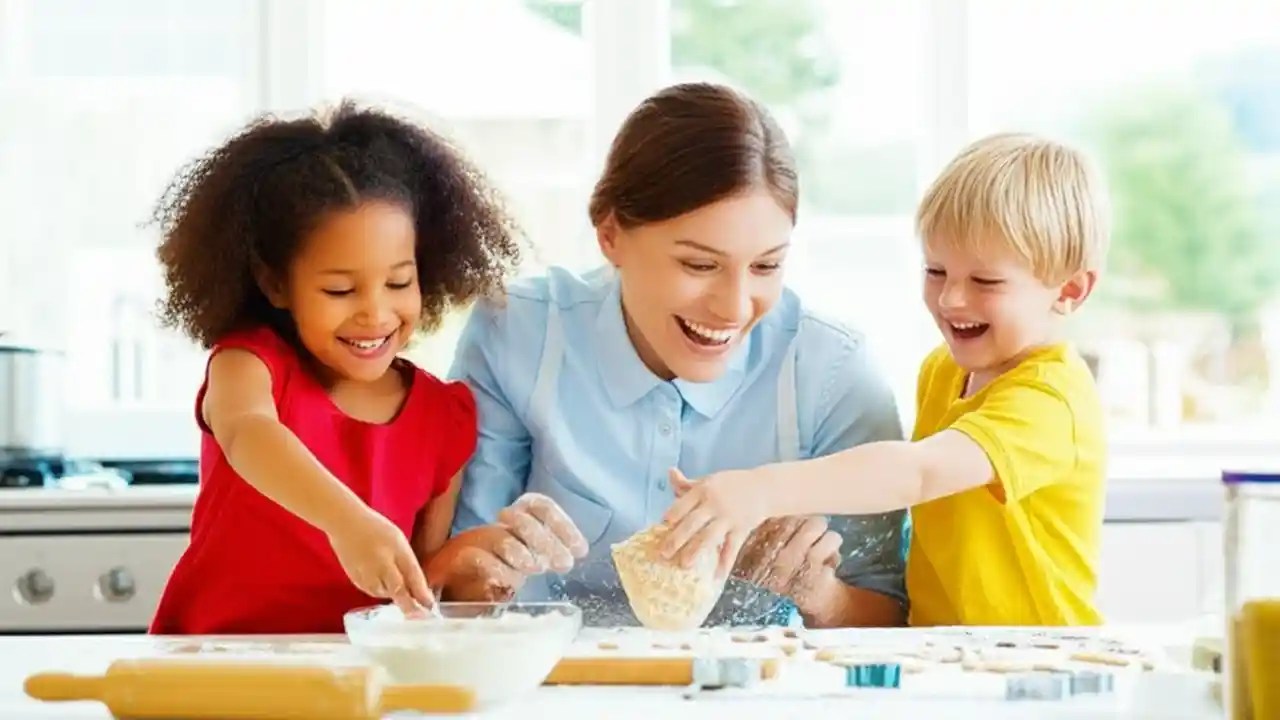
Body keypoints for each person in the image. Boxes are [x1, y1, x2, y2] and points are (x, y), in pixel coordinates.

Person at [430, 82, 908, 628]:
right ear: (610, 234)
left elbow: (888, 617)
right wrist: (485, 571)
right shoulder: (518, 331)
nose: (734, 307)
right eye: (699, 265)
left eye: (766, 266)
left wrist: (821, 594)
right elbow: (456, 591)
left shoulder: (832, 372)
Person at [662, 132, 1110, 627]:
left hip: (1043, 669)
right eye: (936, 270)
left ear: (1069, 290)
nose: (950, 300)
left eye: (985, 281)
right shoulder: (944, 370)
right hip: (948, 661)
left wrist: (761, 490)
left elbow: (917, 473)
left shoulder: (1051, 401)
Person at [147, 101, 525, 634]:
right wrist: (345, 520)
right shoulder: (249, 365)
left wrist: (463, 569)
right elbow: (247, 433)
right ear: (276, 283)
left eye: (398, 283)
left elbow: (414, 589)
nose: (375, 313)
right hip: (219, 658)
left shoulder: (446, 419)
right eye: (340, 289)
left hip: (352, 676)